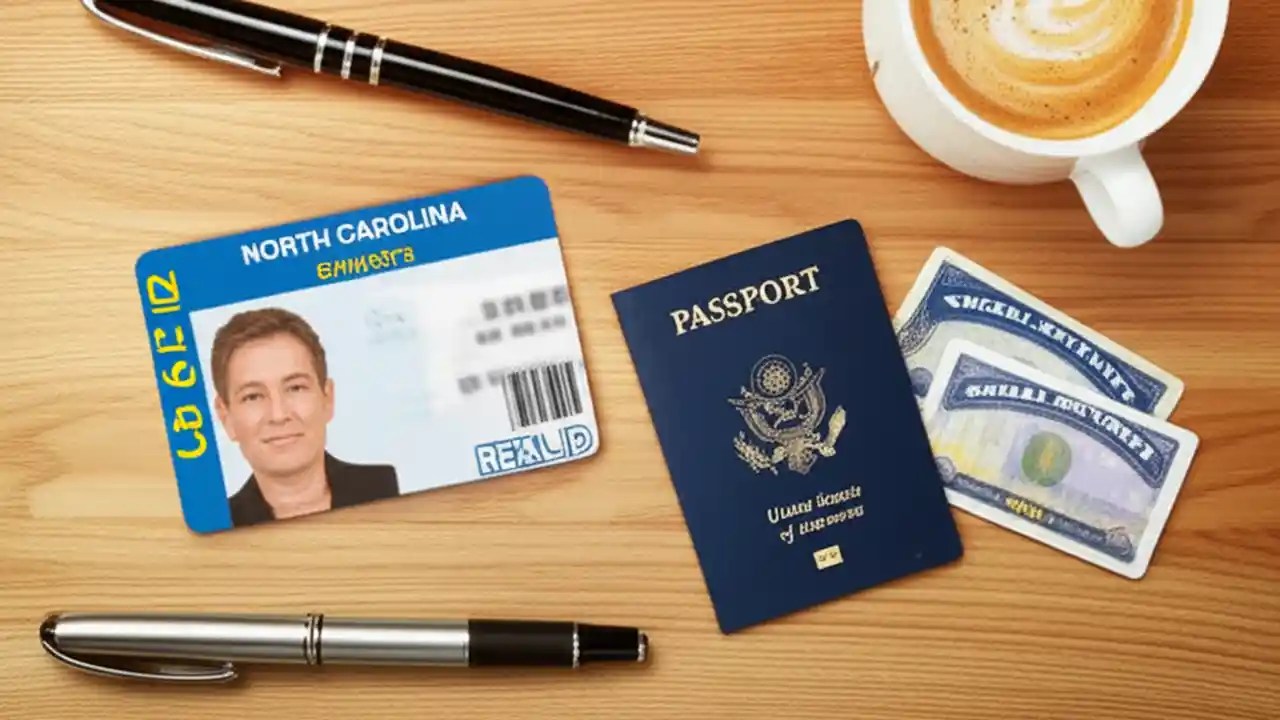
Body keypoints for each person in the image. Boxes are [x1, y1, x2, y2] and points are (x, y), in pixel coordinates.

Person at [210, 307, 398, 527]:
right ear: (226, 417)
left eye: (295, 388)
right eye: (253, 397)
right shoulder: (218, 526)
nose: (279, 415)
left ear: (327, 398)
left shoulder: (387, 488)